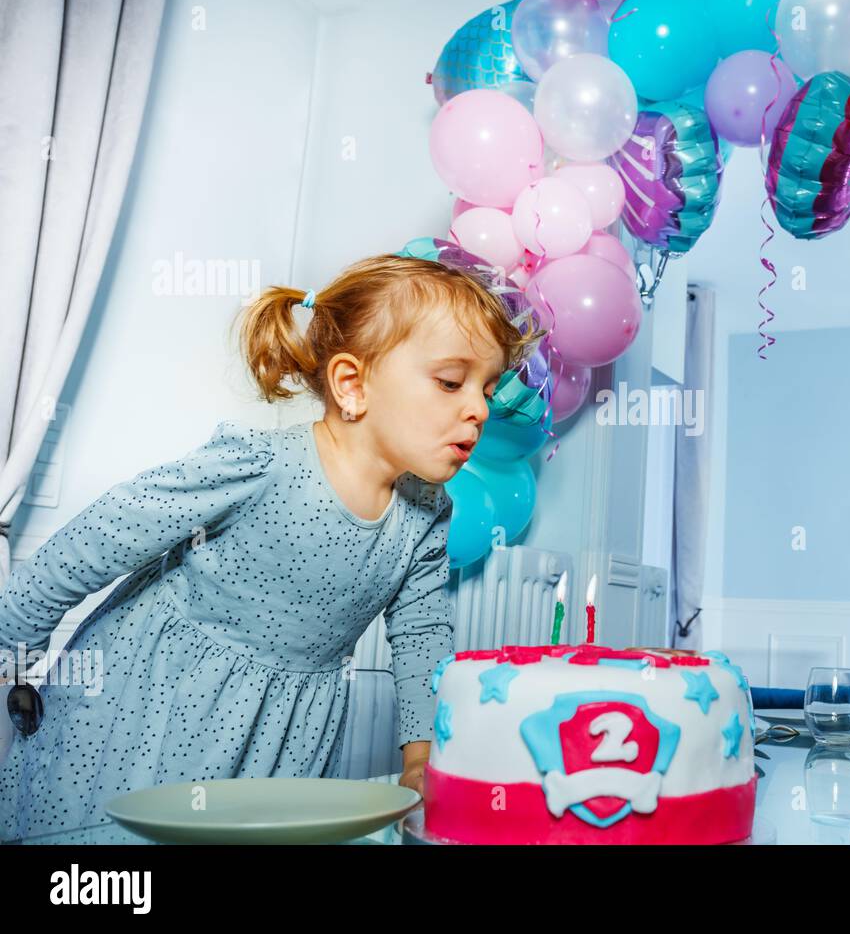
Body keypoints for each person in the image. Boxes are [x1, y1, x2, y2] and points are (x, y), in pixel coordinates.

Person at [0, 251, 543, 838]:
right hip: (150, 707)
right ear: (352, 384)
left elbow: (422, 640)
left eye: (488, 389)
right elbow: (101, 538)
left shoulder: (428, 514)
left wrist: (420, 757)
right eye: (450, 382)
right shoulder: (262, 465)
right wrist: (16, 655)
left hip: (284, 735)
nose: (479, 409)